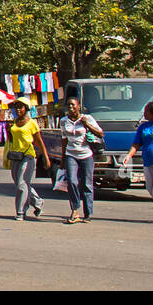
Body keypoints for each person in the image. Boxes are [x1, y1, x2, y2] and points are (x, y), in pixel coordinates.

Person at [59, 95, 103, 224]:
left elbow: (100, 133)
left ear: (79, 106)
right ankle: (75, 210)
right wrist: (62, 158)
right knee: (72, 181)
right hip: (70, 154)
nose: (71, 107)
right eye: (69, 105)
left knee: (86, 183)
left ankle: (88, 212)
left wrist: (87, 124)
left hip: (86, 154)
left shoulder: (87, 118)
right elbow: (64, 139)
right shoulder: (63, 121)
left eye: (73, 105)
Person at [7, 97, 50, 221]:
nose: (18, 109)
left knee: (22, 183)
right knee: (20, 184)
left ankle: (21, 212)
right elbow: (11, 140)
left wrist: (46, 158)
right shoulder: (14, 122)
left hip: (28, 156)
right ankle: (38, 203)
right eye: (17, 107)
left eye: (21, 107)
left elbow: (39, 141)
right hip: (16, 155)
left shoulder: (32, 123)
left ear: (26, 108)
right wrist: (9, 131)